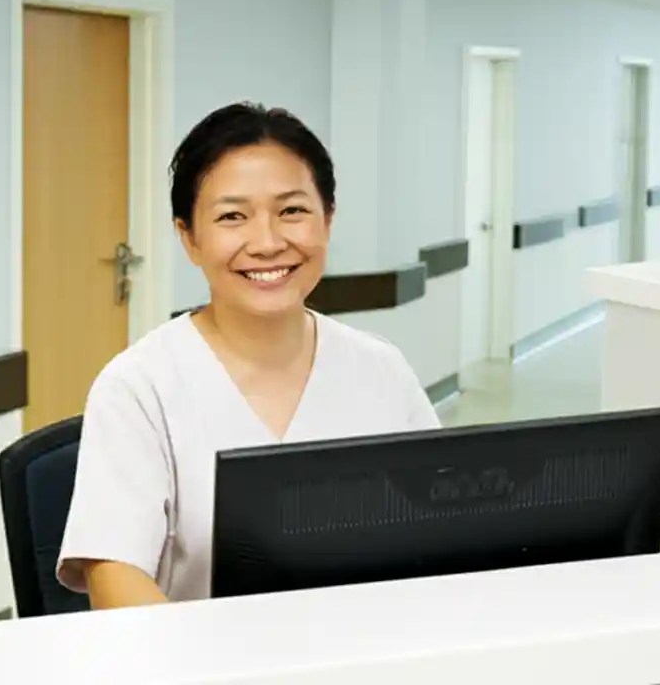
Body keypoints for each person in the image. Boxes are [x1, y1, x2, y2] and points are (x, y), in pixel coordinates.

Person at [56, 102, 441, 609]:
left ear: (327, 219)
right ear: (189, 237)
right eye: (232, 216)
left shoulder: (381, 371)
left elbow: (440, 539)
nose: (267, 242)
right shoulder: (139, 385)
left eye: (292, 211)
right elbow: (114, 576)